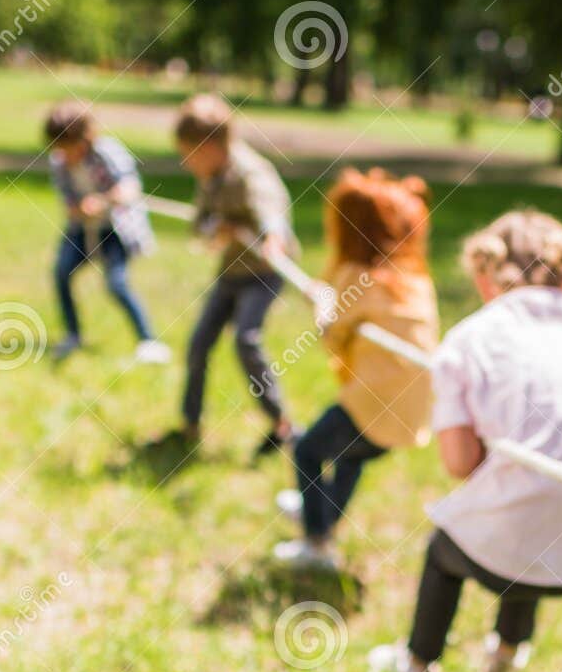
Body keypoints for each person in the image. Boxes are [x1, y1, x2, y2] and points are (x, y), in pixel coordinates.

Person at [370, 209, 562, 672]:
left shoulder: (470, 337)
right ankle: (506, 659)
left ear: (486, 276)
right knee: (529, 501)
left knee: (447, 548)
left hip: (511, 557)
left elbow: (460, 464)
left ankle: (417, 670)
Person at [274, 168, 440, 571]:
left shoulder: (359, 277)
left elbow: (331, 334)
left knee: (309, 450)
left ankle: (317, 545)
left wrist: (321, 304)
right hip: (416, 408)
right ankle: (323, 516)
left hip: (376, 402)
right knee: (351, 456)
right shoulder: (415, 279)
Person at [165, 93, 298, 460]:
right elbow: (199, 225)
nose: (185, 162)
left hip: (263, 274)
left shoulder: (250, 171)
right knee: (198, 344)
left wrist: (273, 237)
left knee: (246, 340)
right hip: (231, 273)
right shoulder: (210, 177)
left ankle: (282, 424)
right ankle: (189, 424)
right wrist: (215, 230)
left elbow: (270, 207)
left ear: (209, 147)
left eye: (188, 154)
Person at [42, 102, 169, 365]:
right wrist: (80, 209)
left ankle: (148, 340)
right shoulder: (59, 163)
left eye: (68, 148)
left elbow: (130, 188)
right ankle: (73, 335)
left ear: (84, 139)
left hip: (115, 230)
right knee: (61, 273)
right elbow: (68, 204)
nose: (64, 154)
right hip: (81, 230)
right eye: (59, 149)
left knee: (117, 285)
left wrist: (103, 201)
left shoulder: (107, 152)